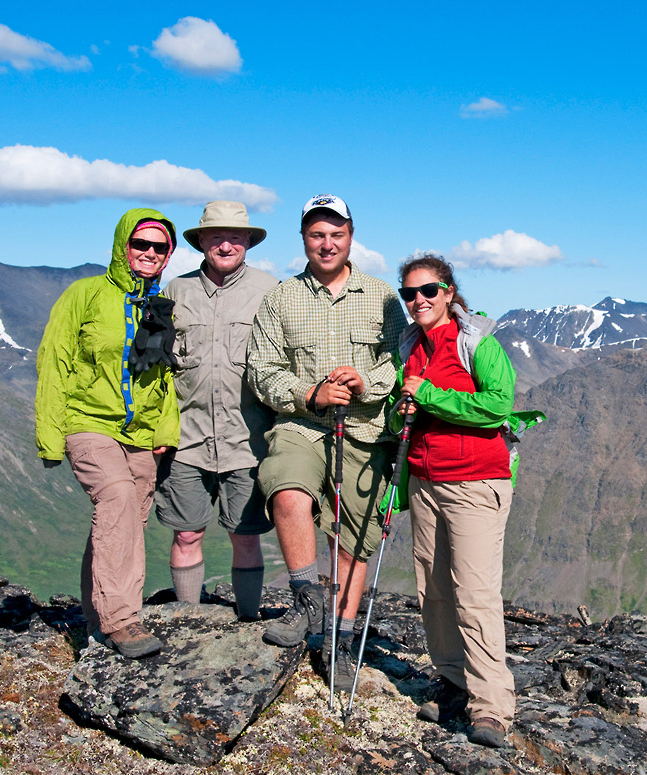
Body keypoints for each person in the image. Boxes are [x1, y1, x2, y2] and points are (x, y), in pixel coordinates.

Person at [247, 194, 406, 688]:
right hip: (303, 424)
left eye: (336, 234)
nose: (327, 243)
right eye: (317, 235)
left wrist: (366, 382)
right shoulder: (280, 299)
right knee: (287, 491)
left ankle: (337, 637)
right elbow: (261, 370)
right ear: (304, 240)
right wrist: (309, 393)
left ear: (351, 237)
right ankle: (305, 603)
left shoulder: (382, 296)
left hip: (364, 429)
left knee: (356, 539)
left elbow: (402, 361)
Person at [393, 254, 541, 748]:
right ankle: (453, 683)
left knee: (474, 594)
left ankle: (492, 707)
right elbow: (410, 413)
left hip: (476, 482)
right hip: (426, 481)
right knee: (432, 589)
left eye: (428, 290)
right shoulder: (410, 345)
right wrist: (405, 410)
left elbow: (497, 406)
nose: (419, 301)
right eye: (409, 294)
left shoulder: (478, 343)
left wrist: (429, 395)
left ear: (450, 291)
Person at [36, 208, 180, 659]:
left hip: (140, 432)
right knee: (116, 497)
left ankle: (95, 620)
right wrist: (49, 434)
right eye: (142, 244)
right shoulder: (85, 294)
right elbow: (54, 360)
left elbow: (163, 377)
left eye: (160, 247)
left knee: (124, 522)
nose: (150, 253)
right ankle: (122, 621)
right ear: (123, 247)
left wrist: (166, 429)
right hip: (88, 422)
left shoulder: (158, 303)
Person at [155, 201, 279, 620]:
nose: (225, 244)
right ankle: (187, 622)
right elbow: (158, 367)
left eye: (235, 236)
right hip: (185, 439)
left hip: (248, 441)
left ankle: (246, 621)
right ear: (201, 241)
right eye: (216, 236)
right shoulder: (176, 291)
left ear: (248, 241)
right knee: (187, 532)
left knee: (245, 536)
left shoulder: (271, 291)